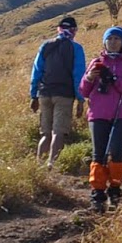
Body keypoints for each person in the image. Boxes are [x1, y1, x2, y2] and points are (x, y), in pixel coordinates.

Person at [78, 27, 122, 212]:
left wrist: (114, 79)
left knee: (117, 153)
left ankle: (115, 189)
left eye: (116, 39)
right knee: (98, 155)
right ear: (104, 42)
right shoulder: (96, 62)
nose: (113, 42)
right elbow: (83, 91)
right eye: (110, 39)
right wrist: (89, 77)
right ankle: (97, 194)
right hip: (98, 115)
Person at [29, 15, 86, 170]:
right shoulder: (76, 48)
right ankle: (51, 164)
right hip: (64, 95)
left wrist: (33, 95)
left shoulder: (46, 46)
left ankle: (38, 165)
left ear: (59, 29)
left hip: (44, 93)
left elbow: (36, 72)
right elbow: (78, 75)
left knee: (45, 133)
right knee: (58, 132)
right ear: (74, 30)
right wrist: (81, 99)